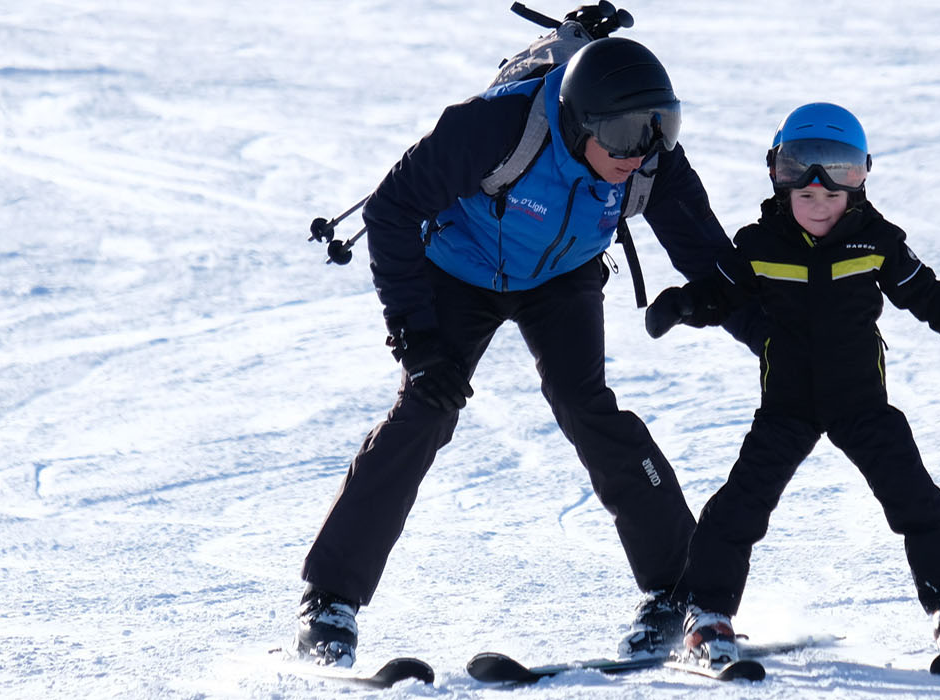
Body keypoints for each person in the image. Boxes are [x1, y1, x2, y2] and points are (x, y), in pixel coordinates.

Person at [291, 37, 750, 667]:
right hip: (458, 269)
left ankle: (680, 591)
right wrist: (417, 340)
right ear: (576, 119)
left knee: (587, 407)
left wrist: (768, 339)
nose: (637, 150)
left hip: (563, 276)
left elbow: (709, 258)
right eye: (619, 133)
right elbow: (394, 208)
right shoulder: (491, 128)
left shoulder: (648, 160)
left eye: (657, 128)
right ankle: (330, 601)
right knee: (425, 410)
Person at [646, 103, 940, 669]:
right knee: (737, 509)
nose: (818, 206)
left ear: (859, 183)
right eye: (805, 194)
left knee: (916, 499)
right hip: (786, 409)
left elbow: (932, 298)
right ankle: (707, 617)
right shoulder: (760, 245)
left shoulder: (875, 242)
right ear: (779, 180)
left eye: (833, 192)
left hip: (862, 406)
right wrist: (682, 305)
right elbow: (718, 294)